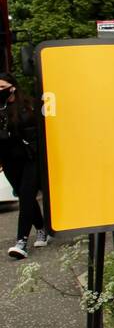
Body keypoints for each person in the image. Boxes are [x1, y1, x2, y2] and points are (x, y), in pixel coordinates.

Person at [0, 74, 48, 259]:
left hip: (30, 159)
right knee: (24, 195)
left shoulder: (28, 106)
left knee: (27, 195)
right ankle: (41, 227)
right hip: (9, 161)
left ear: (12, 87)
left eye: (2, 87)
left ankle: (21, 242)